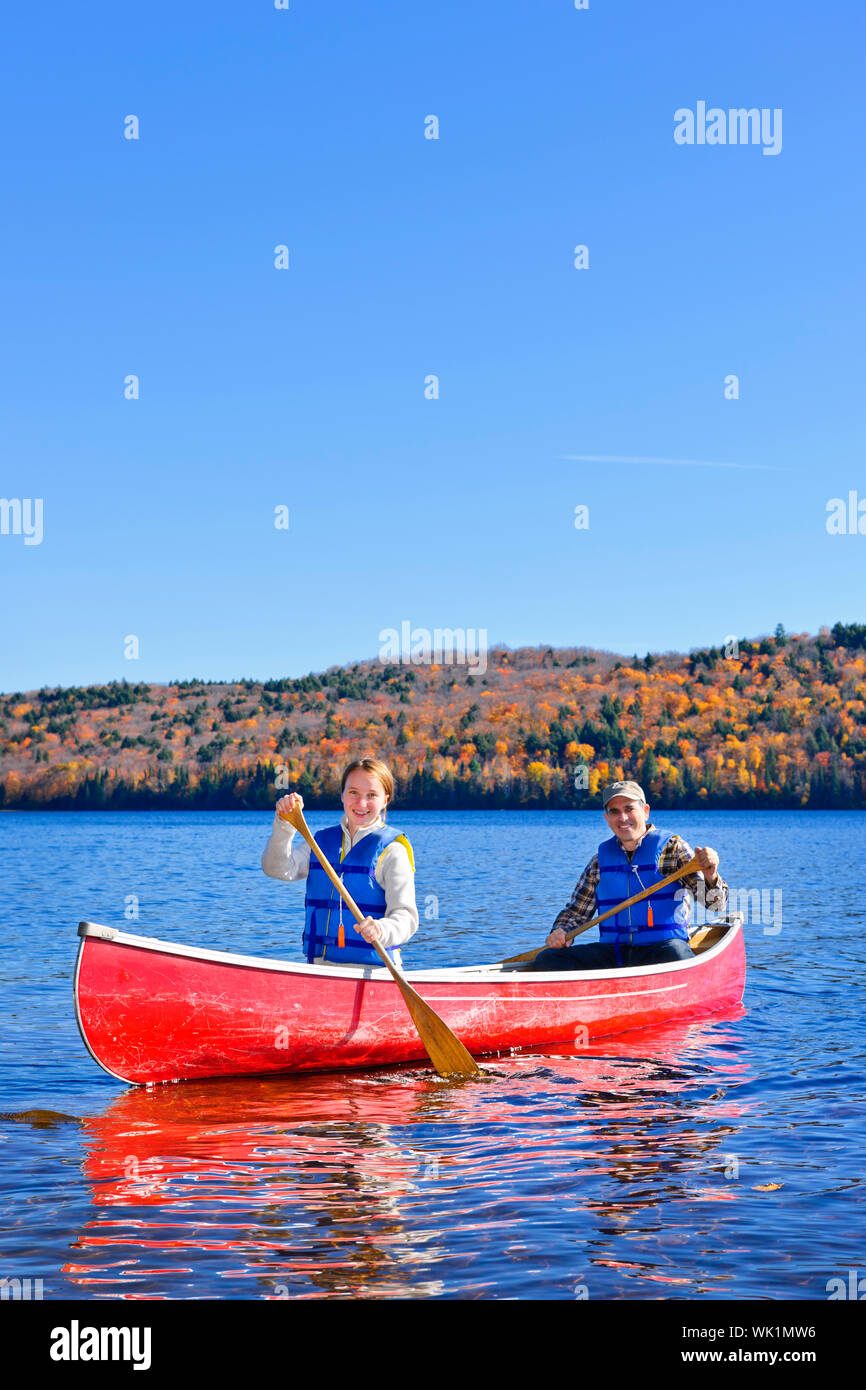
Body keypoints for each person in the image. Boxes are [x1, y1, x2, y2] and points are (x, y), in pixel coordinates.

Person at [527, 779, 728, 971]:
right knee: (547, 959)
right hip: (614, 953)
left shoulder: (673, 849)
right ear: (607, 819)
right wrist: (561, 931)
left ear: (645, 811)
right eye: (614, 812)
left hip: (662, 950)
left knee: (677, 954)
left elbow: (716, 905)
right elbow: (577, 912)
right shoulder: (600, 861)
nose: (622, 818)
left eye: (629, 809)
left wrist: (711, 875)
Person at [261, 757, 418, 967]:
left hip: (373, 972)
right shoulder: (320, 842)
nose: (361, 803)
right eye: (353, 792)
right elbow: (277, 869)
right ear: (342, 795)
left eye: (371, 795)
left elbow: (406, 918)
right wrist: (284, 825)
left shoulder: (393, 851)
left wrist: (381, 929)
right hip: (320, 969)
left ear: (385, 800)